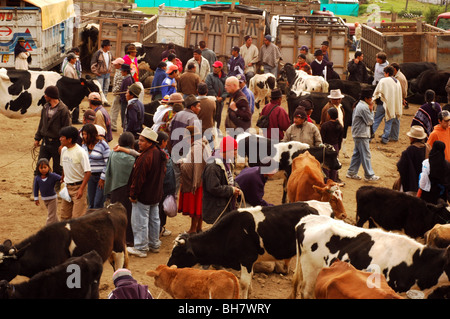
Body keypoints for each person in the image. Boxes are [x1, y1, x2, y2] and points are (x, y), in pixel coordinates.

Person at [128, 127, 167, 257]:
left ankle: (141, 248)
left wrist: (133, 195)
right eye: (139, 140)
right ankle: (154, 244)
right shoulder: (159, 153)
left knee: (140, 222)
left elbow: (138, 179)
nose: (139, 143)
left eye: (142, 141)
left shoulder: (145, 158)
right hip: (155, 195)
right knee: (154, 220)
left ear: (150, 143)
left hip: (144, 196)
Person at [104, 132, 136, 245]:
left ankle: (116, 239)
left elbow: (108, 171)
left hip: (115, 188)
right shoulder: (133, 158)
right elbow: (140, 156)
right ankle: (129, 239)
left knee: (115, 215)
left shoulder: (113, 153)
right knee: (129, 215)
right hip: (128, 189)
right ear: (132, 143)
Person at [178, 126, 212, 233]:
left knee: (196, 206)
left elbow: (189, 168)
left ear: (191, 138)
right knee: (200, 207)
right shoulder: (204, 144)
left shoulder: (195, 148)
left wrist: (182, 164)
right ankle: (199, 227)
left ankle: (193, 229)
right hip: (203, 180)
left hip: (197, 182)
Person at [202, 136, 241, 225]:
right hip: (217, 208)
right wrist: (231, 190)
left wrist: (236, 187)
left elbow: (230, 179)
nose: (236, 153)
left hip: (225, 206)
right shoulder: (213, 166)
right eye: (234, 150)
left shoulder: (227, 162)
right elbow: (213, 187)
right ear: (226, 150)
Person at [34, 86, 71, 176]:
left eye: (46, 94)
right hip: (45, 142)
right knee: (39, 167)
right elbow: (41, 124)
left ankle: (56, 189)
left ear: (50, 96)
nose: (45, 96)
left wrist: (63, 145)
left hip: (57, 144)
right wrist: (37, 138)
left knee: (58, 169)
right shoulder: (45, 107)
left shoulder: (64, 110)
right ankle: (36, 188)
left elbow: (67, 129)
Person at [346, 89, 380, 182]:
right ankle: (369, 175)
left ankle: (352, 172)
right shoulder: (364, 107)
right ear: (366, 98)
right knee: (366, 154)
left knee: (358, 154)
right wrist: (372, 109)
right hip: (361, 133)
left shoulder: (360, 105)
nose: (372, 100)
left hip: (359, 133)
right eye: (370, 98)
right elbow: (370, 121)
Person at [59, 126, 91, 220]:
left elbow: (88, 172)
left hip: (78, 187)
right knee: (64, 216)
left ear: (69, 139)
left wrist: (81, 189)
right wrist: (63, 177)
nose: (60, 139)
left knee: (77, 218)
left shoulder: (81, 152)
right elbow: (64, 166)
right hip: (67, 187)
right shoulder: (64, 150)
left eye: (62, 137)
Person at [81, 123, 110, 209]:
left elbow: (108, 163)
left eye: (86, 134)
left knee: (98, 203)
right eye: (83, 134)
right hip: (90, 177)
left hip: (101, 177)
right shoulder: (84, 146)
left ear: (92, 134)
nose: (84, 136)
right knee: (91, 202)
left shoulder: (102, 145)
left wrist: (102, 179)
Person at [372, 65, 403, 144]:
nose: (384, 75)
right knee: (389, 121)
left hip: (382, 104)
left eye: (384, 73)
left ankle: (369, 136)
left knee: (376, 120)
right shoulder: (397, 82)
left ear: (387, 73)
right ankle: (385, 139)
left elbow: (377, 92)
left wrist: (373, 100)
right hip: (391, 106)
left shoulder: (383, 80)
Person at [396, 125, 430, 194]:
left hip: (411, 185)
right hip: (425, 185)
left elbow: (401, 166)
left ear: (412, 138)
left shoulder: (409, 151)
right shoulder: (428, 148)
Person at [157, 131, 175, 237]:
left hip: (165, 187)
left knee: (162, 209)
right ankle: (158, 229)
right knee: (160, 209)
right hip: (163, 187)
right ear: (163, 141)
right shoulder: (160, 154)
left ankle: (161, 227)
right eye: (166, 141)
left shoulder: (163, 152)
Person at [33, 158, 61, 225]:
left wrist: (63, 179)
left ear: (48, 167)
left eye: (45, 167)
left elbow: (61, 178)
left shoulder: (52, 176)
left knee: (51, 215)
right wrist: (36, 198)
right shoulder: (37, 178)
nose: (43, 169)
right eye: (41, 168)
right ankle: (60, 226)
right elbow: (35, 188)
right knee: (53, 215)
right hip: (45, 199)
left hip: (53, 199)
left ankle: (47, 229)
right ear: (38, 168)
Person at [320, 107, 344, 182]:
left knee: (326, 166)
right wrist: (338, 147)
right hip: (335, 147)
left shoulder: (325, 126)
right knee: (334, 165)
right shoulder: (340, 126)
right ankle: (333, 181)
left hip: (326, 148)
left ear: (329, 115)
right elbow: (340, 139)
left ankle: (326, 182)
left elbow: (321, 139)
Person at [205, 61, 228, 128]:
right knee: (210, 116)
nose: (214, 69)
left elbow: (227, 89)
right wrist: (215, 96)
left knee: (218, 116)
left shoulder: (226, 78)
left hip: (220, 102)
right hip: (211, 100)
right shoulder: (210, 76)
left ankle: (217, 130)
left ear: (220, 68)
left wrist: (222, 97)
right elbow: (208, 87)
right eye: (213, 67)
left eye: (216, 67)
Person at [110, 57, 125, 132]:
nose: (114, 65)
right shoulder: (119, 71)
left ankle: (113, 125)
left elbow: (119, 85)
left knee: (115, 109)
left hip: (118, 94)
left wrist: (114, 92)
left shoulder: (120, 73)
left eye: (116, 64)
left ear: (120, 65)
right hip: (119, 94)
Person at [119, 63, 135, 129]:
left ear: (125, 72)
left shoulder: (127, 80)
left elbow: (126, 91)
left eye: (122, 71)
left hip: (125, 101)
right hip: (124, 100)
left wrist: (122, 98)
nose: (121, 72)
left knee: (124, 116)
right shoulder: (126, 78)